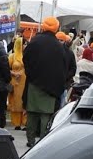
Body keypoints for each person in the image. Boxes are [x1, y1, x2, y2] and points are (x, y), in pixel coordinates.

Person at [22, 16, 69, 147]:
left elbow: (25, 59)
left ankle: (30, 141)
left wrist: (31, 75)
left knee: (32, 113)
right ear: (56, 28)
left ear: (44, 26)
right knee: (45, 115)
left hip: (34, 84)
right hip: (51, 86)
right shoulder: (58, 46)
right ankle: (41, 143)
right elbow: (63, 68)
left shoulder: (35, 41)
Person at [7, 35, 27, 130]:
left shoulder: (27, 55)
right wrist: (14, 73)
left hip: (25, 82)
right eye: (24, 44)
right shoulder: (12, 56)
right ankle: (16, 123)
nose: (25, 46)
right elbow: (6, 69)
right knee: (15, 101)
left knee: (24, 101)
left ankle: (25, 122)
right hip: (15, 82)